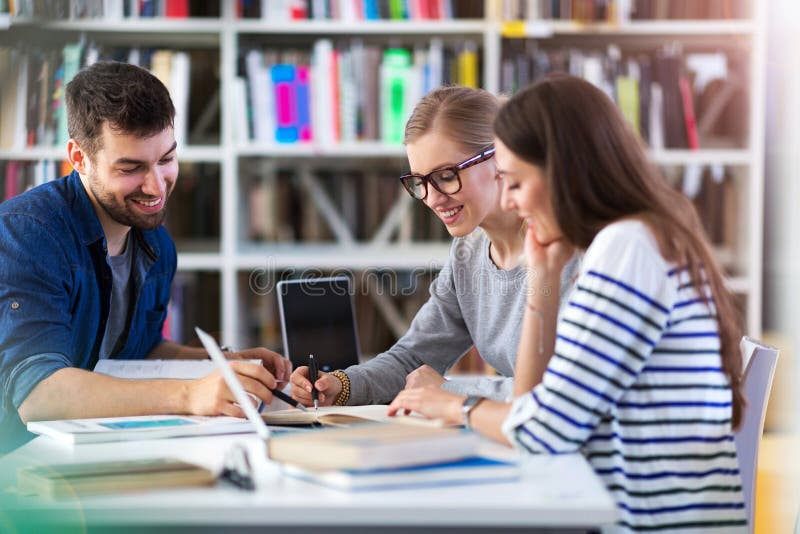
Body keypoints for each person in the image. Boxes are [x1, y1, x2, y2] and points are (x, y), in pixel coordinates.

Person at [388, 74, 747, 532]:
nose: (512, 203)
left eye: (515, 182)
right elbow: (534, 400)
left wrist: (451, 403)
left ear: (561, 170)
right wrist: (543, 274)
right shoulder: (628, 240)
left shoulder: (629, 249)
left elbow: (543, 428)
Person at [0, 62, 290, 452]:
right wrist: (190, 394)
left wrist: (221, 364)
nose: (156, 187)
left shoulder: (155, 241)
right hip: (20, 463)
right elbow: (39, 395)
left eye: (167, 159)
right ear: (79, 158)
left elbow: (139, 350)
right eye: (131, 168)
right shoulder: (26, 234)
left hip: (96, 451)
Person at [290, 86, 580, 407]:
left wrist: (448, 392)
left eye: (446, 175)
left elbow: (565, 391)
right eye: (419, 182)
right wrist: (342, 385)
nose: (432, 198)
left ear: (500, 156)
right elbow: (414, 358)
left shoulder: (567, 251)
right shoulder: (468, 252)